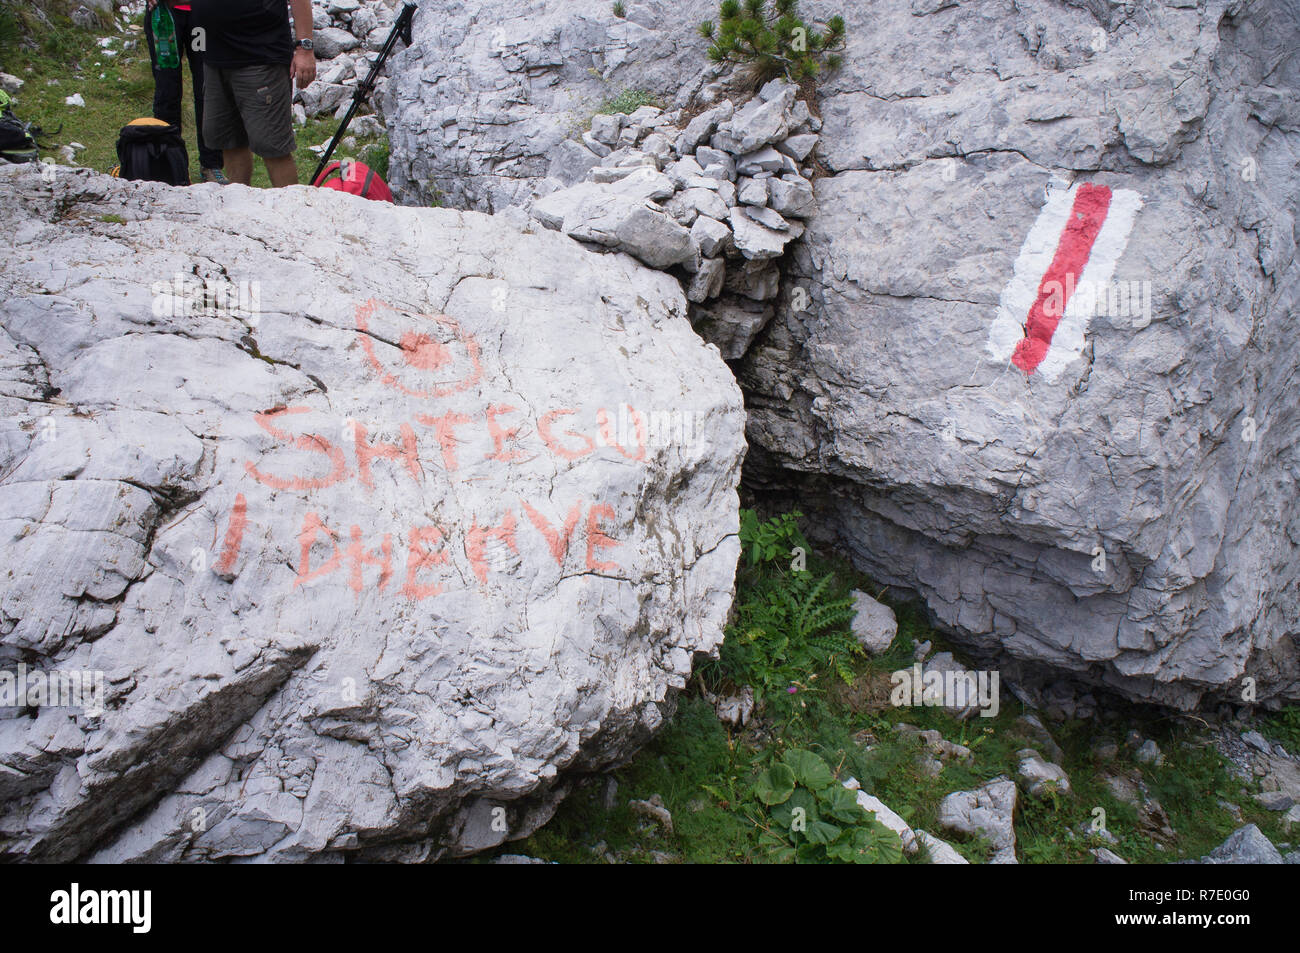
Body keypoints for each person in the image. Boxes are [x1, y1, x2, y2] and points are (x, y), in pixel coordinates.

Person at [192, 0, 316, 188]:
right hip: (215, 57)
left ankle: (288, 212)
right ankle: (241, 209)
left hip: (261, 56)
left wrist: (304, 48)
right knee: (230, 141)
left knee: (273, 147)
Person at [144, 0, 226, 183]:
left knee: (207, 89)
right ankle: (170, 165)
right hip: (164, 13)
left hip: (200, 14)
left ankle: (211, 165)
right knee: (167, 91)